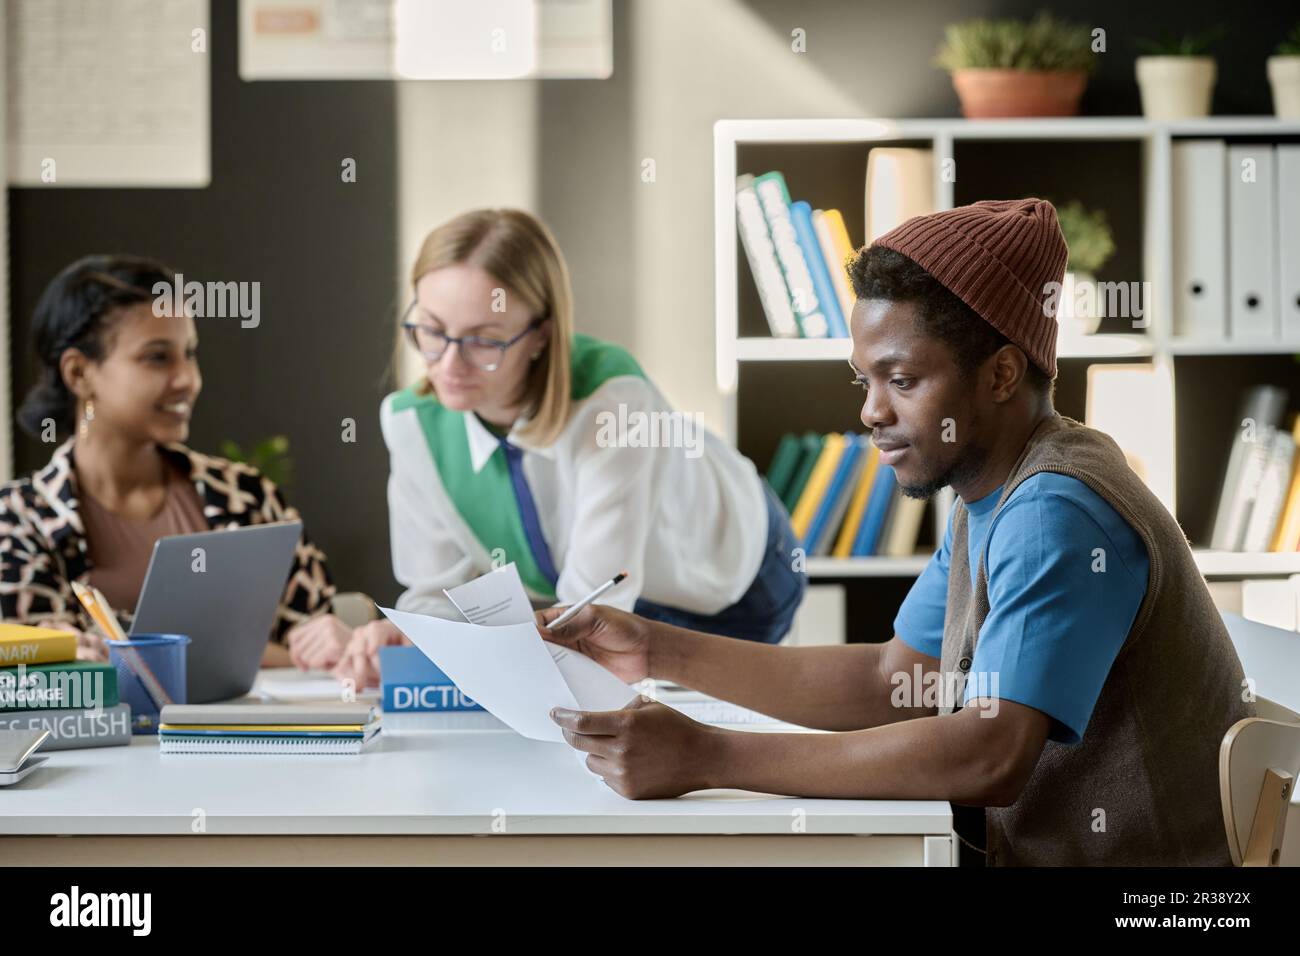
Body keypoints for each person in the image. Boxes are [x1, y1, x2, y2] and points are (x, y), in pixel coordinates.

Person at [533, 199, 1254, 867]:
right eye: (864, 382)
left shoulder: (1055, 514)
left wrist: (707, 756)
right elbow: (893, 681)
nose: (872, 412)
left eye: (901, 380)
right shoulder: (991, 493)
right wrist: (653, 648)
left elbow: (988, 756)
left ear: (1002, 373)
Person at [329, 209, 804, 687]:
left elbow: (591, 613)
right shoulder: (411, 422)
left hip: (735, 583)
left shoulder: (612, 402)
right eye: (431, 330)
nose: (449, 363)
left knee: (718, 746)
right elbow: (436, 594)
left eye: (484, 341)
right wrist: (408, 638)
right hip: (608, 608)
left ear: (540, 334)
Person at [0, 255, 344, 665]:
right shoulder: (18, 522)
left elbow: (320, 651)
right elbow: (40, 668)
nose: (188, 380)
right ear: (78, 374)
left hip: (253, 732)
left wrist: (333, 643)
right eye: (157, 357)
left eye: (190, 354)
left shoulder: (247, 498)